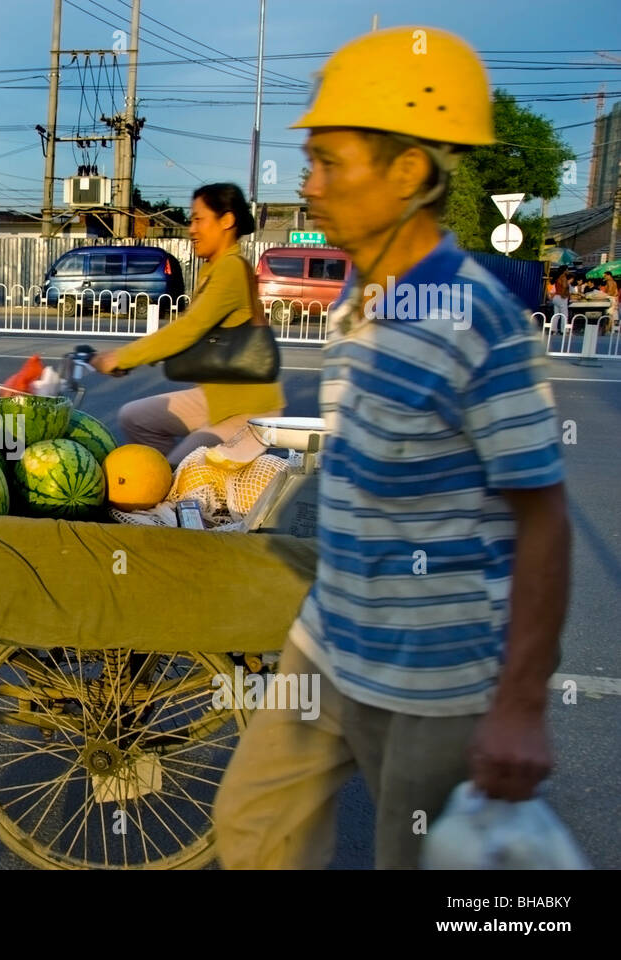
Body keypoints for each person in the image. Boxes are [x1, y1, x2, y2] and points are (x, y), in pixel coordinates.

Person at [212, 26, 569, 870]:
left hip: (439, 685)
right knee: (253, 829)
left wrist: (519, 704)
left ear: (408, 174)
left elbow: (544, 520)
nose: (310, 183)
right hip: (333, 641)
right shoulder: (360, 302)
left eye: (331, 162)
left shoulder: (478, 320)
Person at [90, 182, 285, 468]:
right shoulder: (213, 268)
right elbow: (193, 336)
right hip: (216, 399)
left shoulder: (231, 267)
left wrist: (121, 356)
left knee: (174, 478)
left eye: (198, 219)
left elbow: (189, 328)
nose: (191, 229)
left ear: (227, 221)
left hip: (249, 411)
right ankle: (164, 478)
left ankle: (176, 489)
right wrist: (136, 359)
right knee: (134, 417)